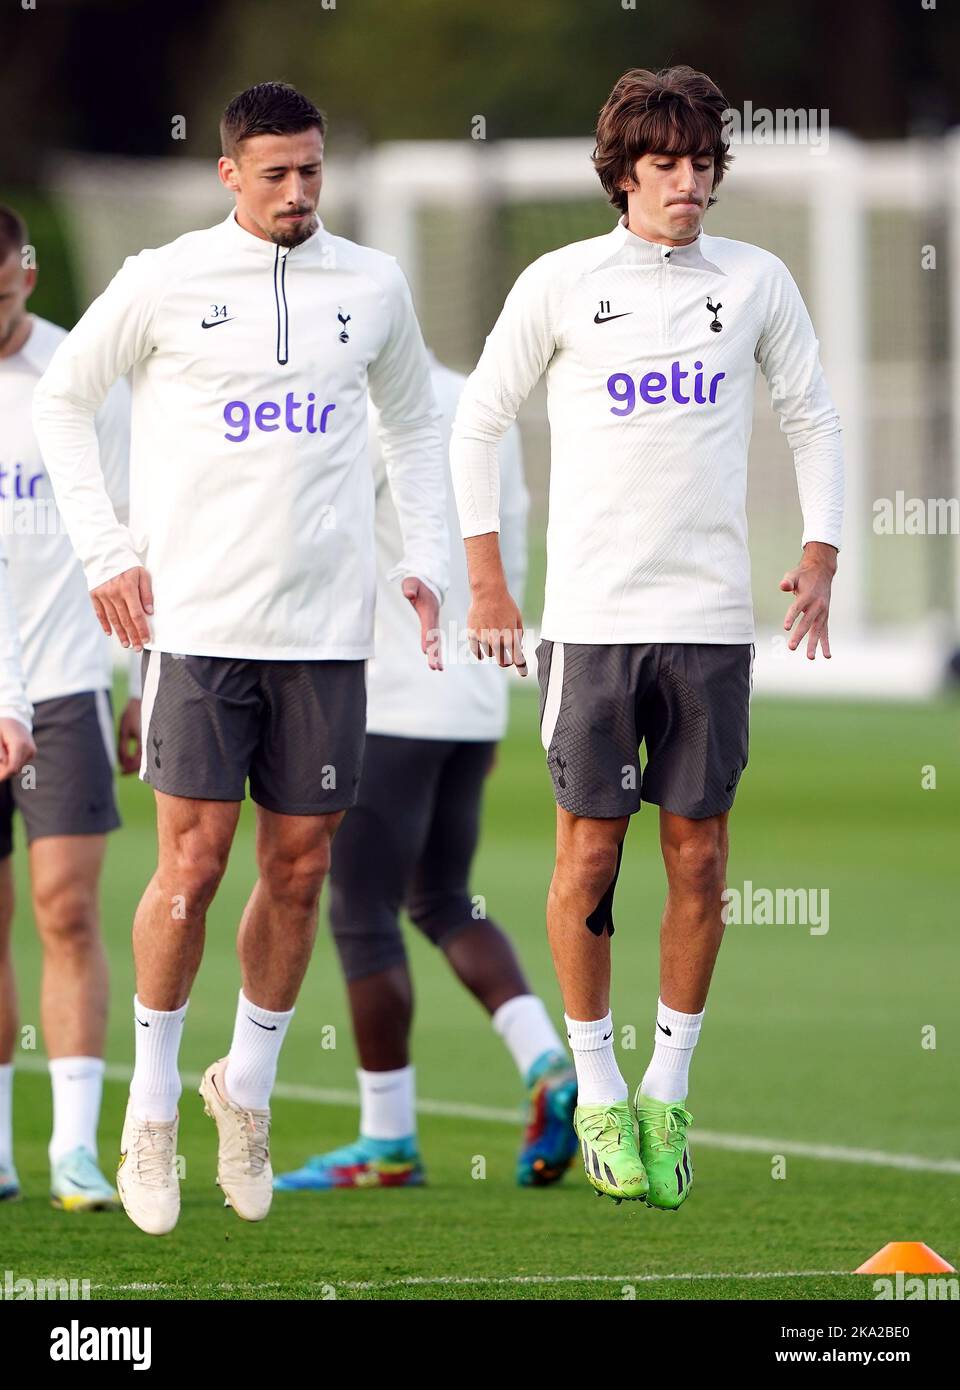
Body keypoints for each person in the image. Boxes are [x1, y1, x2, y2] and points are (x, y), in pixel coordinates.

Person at [33, 82, 448, 1236]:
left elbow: (414, 422)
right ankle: (153, 1107)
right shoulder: (168, 277)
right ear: (229, 174)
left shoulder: (371, 286)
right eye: (274, 173)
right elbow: (63, 402)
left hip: (326, 635)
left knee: (302, 868)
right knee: (194, 864)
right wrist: (107, 550)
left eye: (311, 170)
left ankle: (245, 1090)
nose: (298, 192)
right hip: (200, 630)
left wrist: (425, 558)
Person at [450, 65, 843, 1208]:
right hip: (592, 619)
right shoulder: (563, 283)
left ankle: (668, 1088)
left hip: (711, 619)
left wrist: (821, 550)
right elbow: (478, 421)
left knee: (701, 855)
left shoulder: (758, 281)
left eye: (702, 162)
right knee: (588, 853)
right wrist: (488, 580)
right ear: (622, 173)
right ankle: (595, 1082)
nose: (689, 182)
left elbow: (811, 413)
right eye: (665, 165)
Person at [276, 352, 578, 1193]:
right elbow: (507, 542)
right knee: (441, 897)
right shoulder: (482, 409)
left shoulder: (369, 413)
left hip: (389, 699)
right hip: (473, 698)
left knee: (360, 910)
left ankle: (387, 1141)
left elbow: (316, 544)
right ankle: (549, 1065)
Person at [0, 204, 137, 1211]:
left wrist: (142, 676)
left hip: (65, 687)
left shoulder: (79, 380)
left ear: (29, 273)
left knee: (65, 908)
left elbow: (133, 531)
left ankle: (76, 1151)